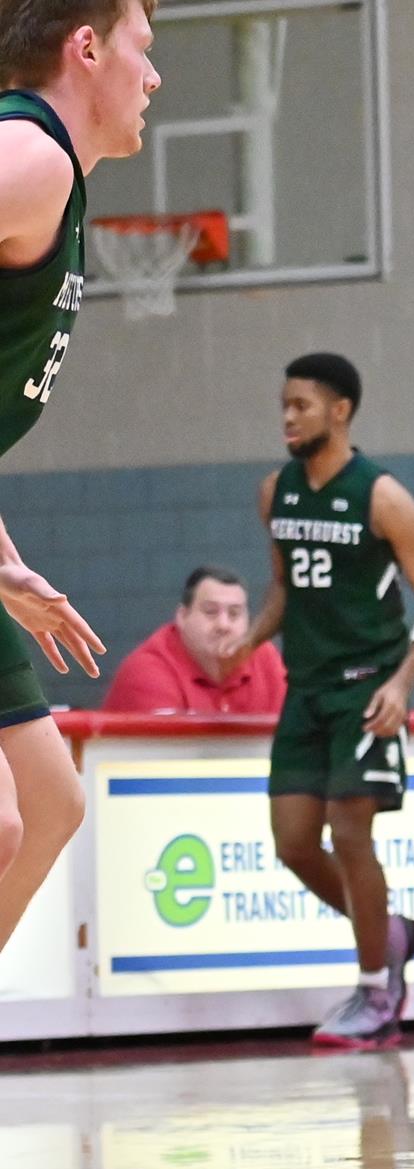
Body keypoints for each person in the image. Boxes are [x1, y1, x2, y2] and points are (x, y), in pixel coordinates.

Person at [224, 354, 414, 1051]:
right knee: (294, 843)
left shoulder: (383, 497)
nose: (288, 417)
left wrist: (403, 683)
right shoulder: (276, 492)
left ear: (340, 411)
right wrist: (250, 640)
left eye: (301, 405)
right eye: (284, 405)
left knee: (351, 831)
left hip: (367, 687)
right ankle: (391, 934)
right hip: (306, 688)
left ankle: (376, 990)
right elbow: (285, 588)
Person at [0, 0, 158, 955]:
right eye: (145, 46)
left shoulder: (52, 180)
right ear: (87, 46)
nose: (155, 76)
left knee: (49, 804)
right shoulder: (31, 158)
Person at [102, 566, 287, 713]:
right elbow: (168, 748)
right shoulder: (146, 671)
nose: (223, 625)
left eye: (234, 614)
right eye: (211, 612)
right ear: (182, 616)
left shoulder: (265, 658)